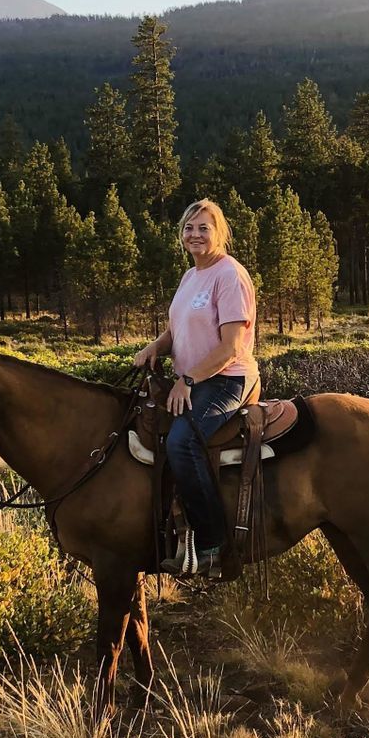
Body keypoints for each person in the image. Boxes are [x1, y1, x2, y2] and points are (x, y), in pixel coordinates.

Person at [133, 198, 258, 577]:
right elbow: (178, 329)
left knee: (182, 441)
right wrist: (156, 346)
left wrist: (187, 380)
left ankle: (213, 545)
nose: (195, 234)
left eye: (204, 227)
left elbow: (232, 345)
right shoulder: (191, 276)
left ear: (220, 232)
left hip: (227, 378)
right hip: (194, 380)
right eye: (189, 228)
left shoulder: (229, 275)